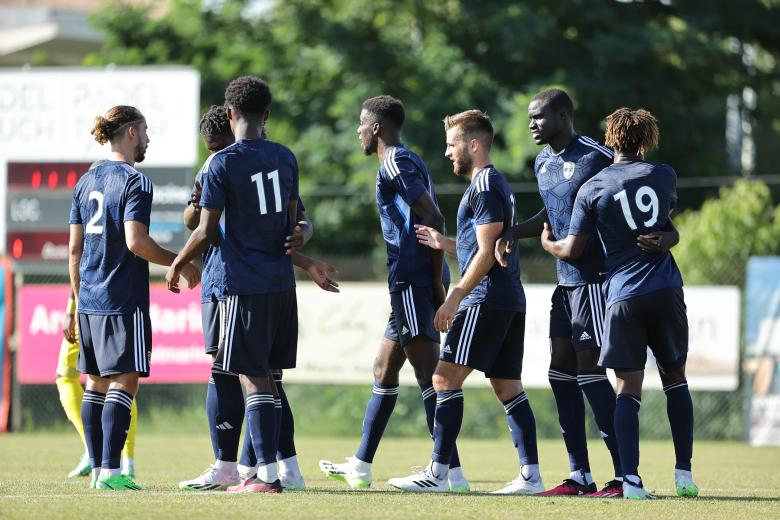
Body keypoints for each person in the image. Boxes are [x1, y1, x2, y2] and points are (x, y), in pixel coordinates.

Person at [166, 76, 325, 494]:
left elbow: (203, 229)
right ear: (266, 114)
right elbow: (295, 224)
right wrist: (303, 243)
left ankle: (263, 475)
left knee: (249, 376)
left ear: (230, 112)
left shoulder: (223, 163)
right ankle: (266, 471)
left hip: (240, 282)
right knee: (265, 377)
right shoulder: (285, 157)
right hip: (280, 284)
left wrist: (177, 262)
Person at [540, 107, 697, 500]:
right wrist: (669, 239)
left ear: (610, 139)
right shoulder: (664, 174)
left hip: (623, 294)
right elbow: (664, 226)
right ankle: (684, 476)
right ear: (647, 138)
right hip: (666, 289)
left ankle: (631, 481)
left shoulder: (593, 187)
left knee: (627, 388)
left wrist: (548, 244)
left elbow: (572, 250)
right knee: (676, 379)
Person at [319, 95, 469, 492]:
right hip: (408, 281)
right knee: (384, 368)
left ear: (376, 128)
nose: (358, 131)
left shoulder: (394, 163)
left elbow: (433, 218)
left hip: (414, 279)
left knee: (430, 376)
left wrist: (435, 283)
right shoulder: (409, 158)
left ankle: (449, 474)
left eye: (361, 124)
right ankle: (361, 465)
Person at [389, 110, 543, 494]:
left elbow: (487, 252)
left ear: (473, 144)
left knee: (443, 378)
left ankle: (438, 473)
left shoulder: (485, 185)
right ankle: (531, 476)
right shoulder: (493, 183)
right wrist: (446, 244)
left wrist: (456, 295)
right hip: (508, 297)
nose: (447, 152)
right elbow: (483, 246)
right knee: (507, 386)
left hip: (485, 298)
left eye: (451, 144)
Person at [488, 88, 625, 496]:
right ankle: (580, 474)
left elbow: (629, 191)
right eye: (530, 117)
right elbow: (551, 214)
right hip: (564, 282)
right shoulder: (543, 161)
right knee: (559, 373)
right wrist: (512, 232)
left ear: (564, 115)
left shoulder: (596, 157)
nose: (532, 124)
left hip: (594, 280)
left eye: (539, 117)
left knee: (591, 372)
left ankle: (624, 475)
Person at [69, 105, 200, 490]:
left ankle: (98, 470)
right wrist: (179, 262)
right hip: (122, 296)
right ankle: (112, 473)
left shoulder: (85, 181)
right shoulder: (135, 181)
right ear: (130, 133)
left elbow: (74, 249)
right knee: (125, 381)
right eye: (144, 131)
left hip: (89, 297)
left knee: (95, 383)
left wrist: (77, 301)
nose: (147, 138)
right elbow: (136, 242)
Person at [58, 286, 138, 480]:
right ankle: (126, 460)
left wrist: (71, 309)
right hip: (122, 302)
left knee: (69, 377)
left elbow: (77, 266)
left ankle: (94, 452)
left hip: (89, 304)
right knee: (122, 378)